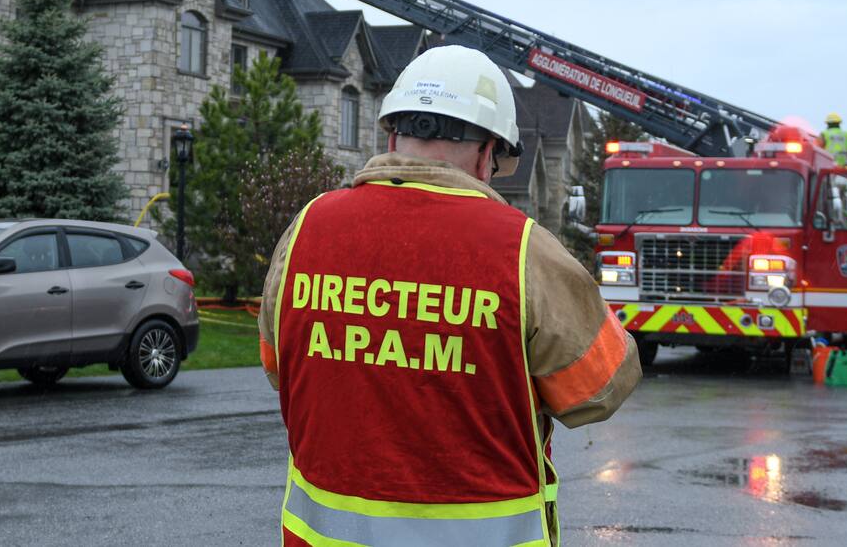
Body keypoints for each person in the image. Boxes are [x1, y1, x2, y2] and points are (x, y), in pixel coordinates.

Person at [258, 45, 641, 546]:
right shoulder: (524, 250)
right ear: (487, 151)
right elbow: (600, 389)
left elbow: (277, 365)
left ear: (393, 133)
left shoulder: (307, 229)